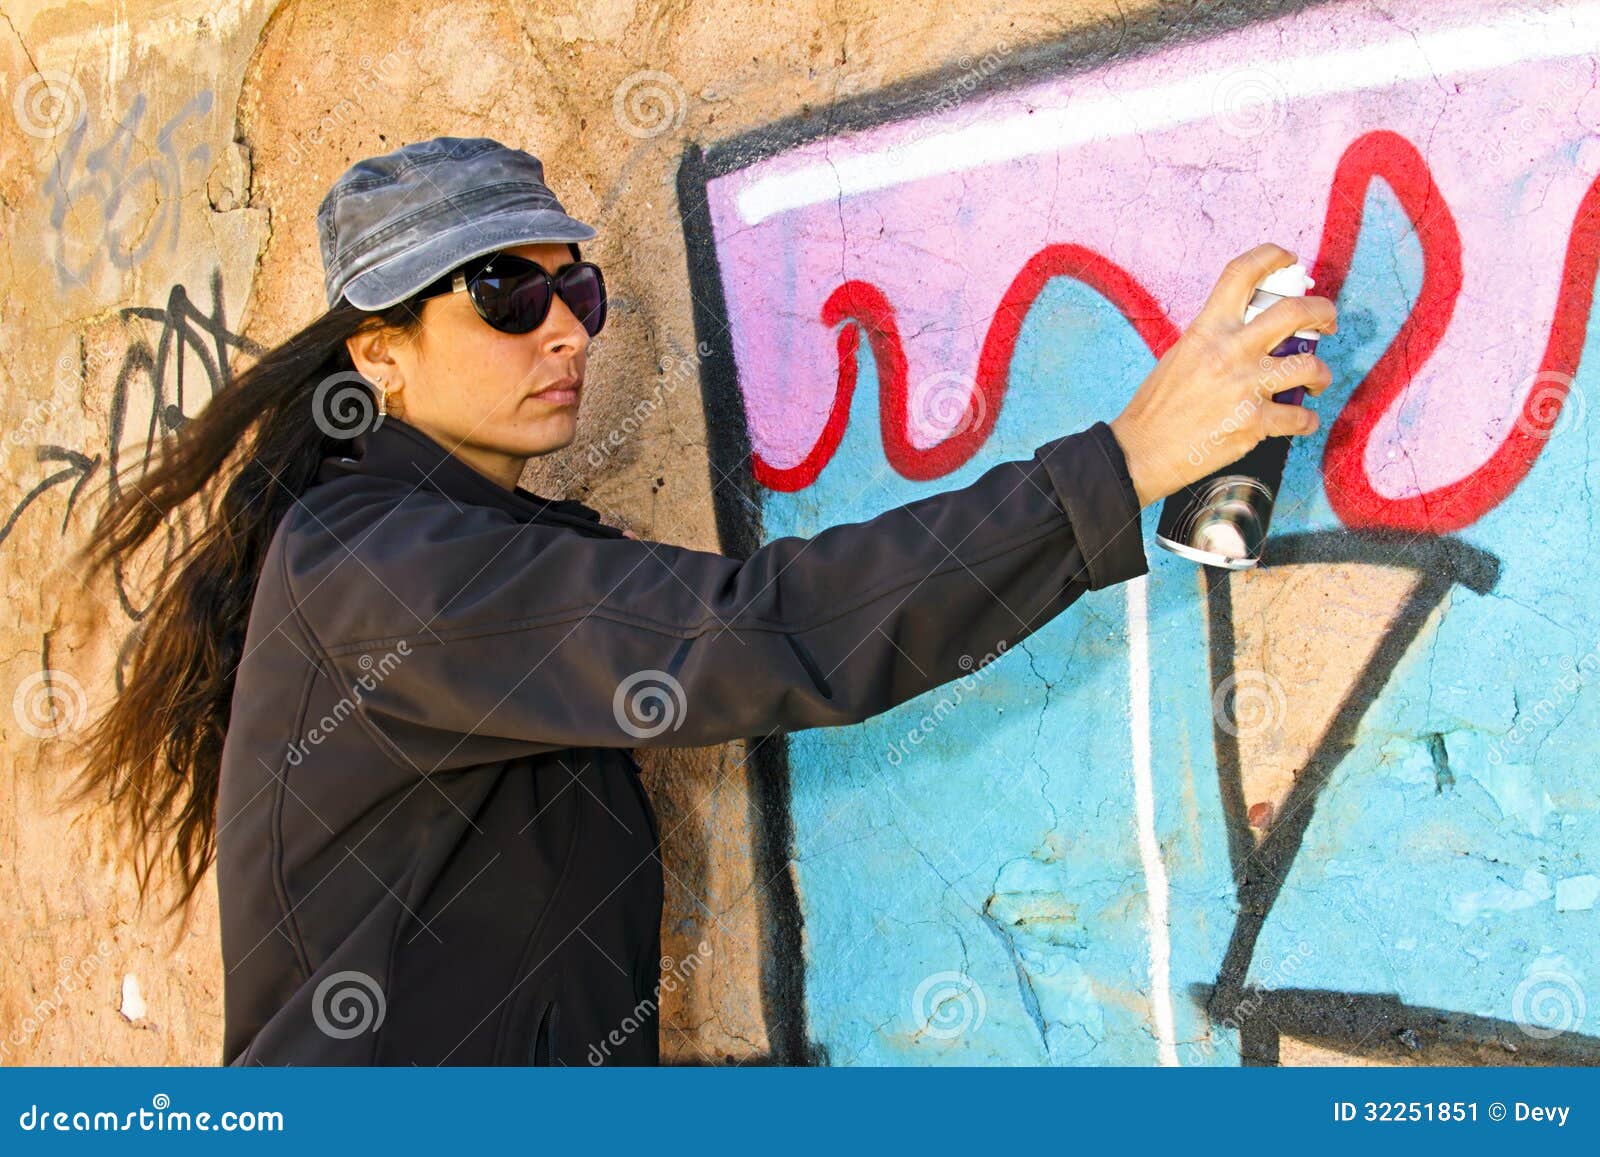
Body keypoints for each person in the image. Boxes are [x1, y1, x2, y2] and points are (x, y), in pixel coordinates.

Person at [66, 135, 1335, 1066]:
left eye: (581, 291)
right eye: (507, 294)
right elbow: (756, 632)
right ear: (377, 353)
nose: (564, 331)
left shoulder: (444, 545)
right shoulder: (384, 568)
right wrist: (1119, 465)